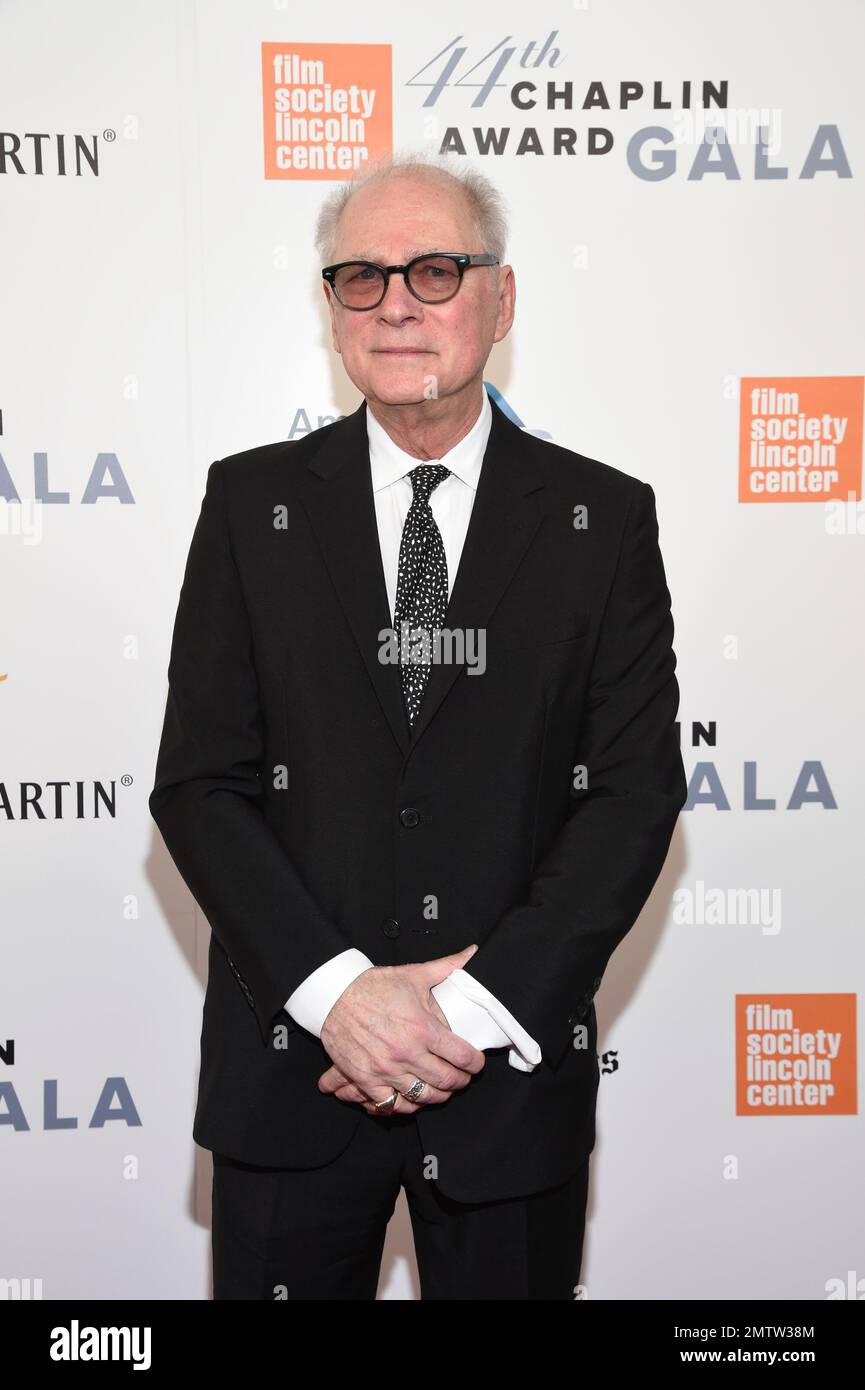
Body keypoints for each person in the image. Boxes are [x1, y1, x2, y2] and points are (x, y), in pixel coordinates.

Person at [148, 150, 687, 1300]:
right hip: (293, 1076)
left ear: (500, 297)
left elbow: (633, 795)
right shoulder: (249, 506)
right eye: (361, 276)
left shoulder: (603, 521)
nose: (396, 302)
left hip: (506, 1089)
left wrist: (464, 1014)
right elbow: (201, 785)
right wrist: (340, 995)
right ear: (332, 308)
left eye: (434, 270)